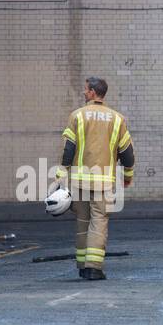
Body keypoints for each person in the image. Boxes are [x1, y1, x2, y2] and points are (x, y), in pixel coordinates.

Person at [59, 76, 134, 280]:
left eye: (85, 89)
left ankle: (83, 265)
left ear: (93, 92)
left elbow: (68, 149)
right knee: (99, 221)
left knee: (83, 221)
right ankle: (94, 267)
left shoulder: (77, 116)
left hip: (79, 181)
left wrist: (62, 173)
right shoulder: (117, 119)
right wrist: (128, 175)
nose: (83, 92)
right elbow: (127, 153)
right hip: (103, 181)